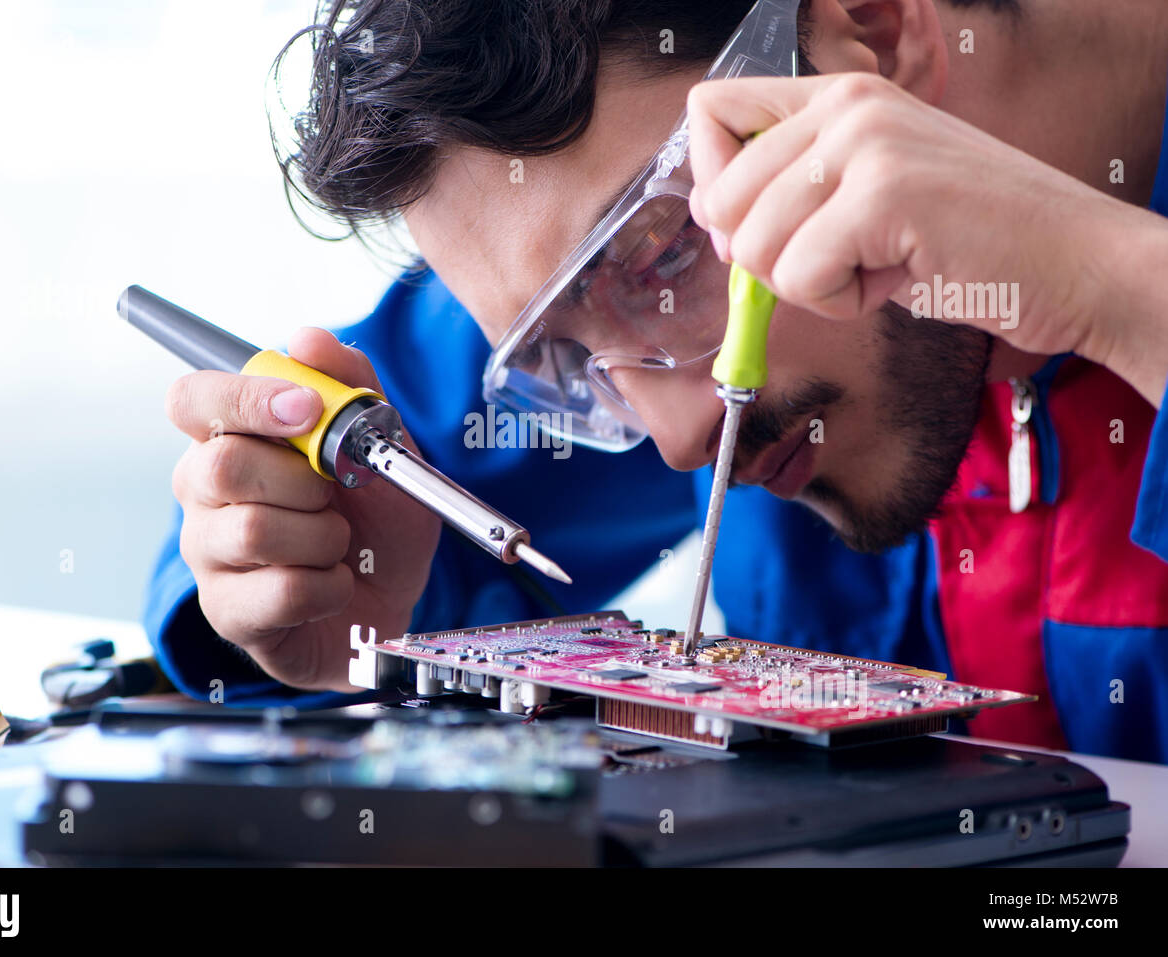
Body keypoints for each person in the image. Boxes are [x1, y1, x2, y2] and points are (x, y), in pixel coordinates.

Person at [145, 0, 1168, 761]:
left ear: (875, 33)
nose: (677, 439)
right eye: (563, 354)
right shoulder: (651, 294)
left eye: (655, 258)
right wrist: (333, 593)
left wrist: (1124, 291)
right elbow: (338, 487)